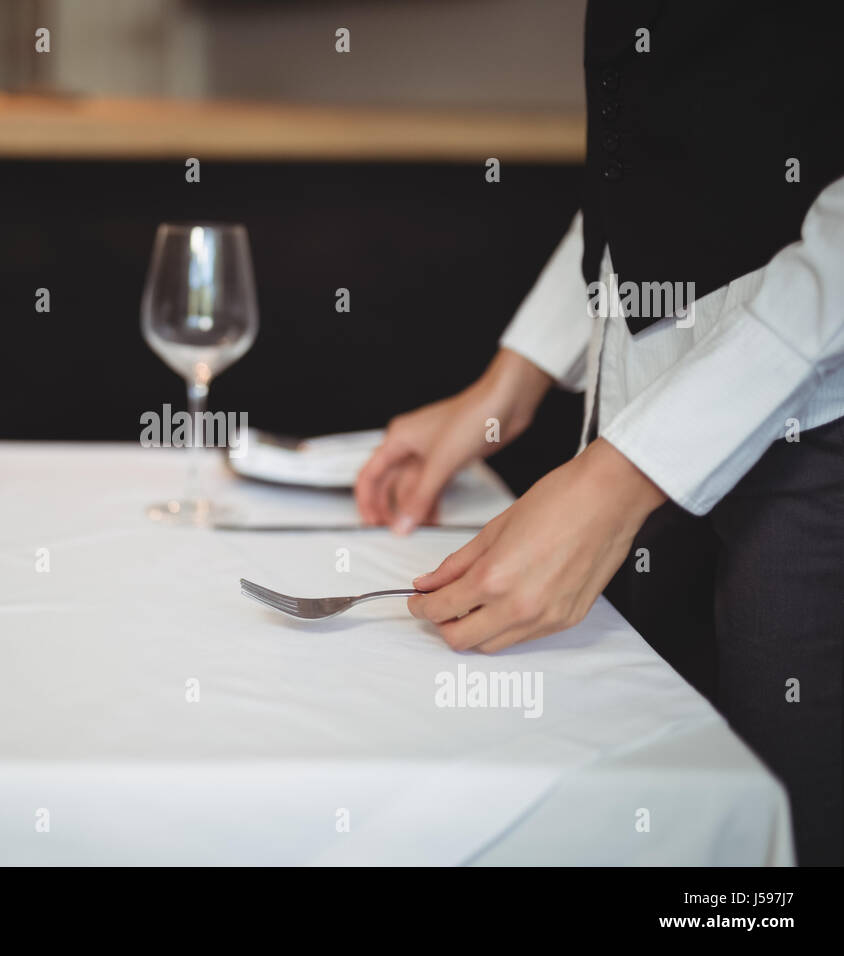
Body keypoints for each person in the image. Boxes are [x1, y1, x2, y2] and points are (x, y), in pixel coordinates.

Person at [355, 1, 843, 866]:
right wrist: (511, 381)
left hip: (817, 457)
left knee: (781, 856)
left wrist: (624, 479)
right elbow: (659, 165)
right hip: (635, 420)